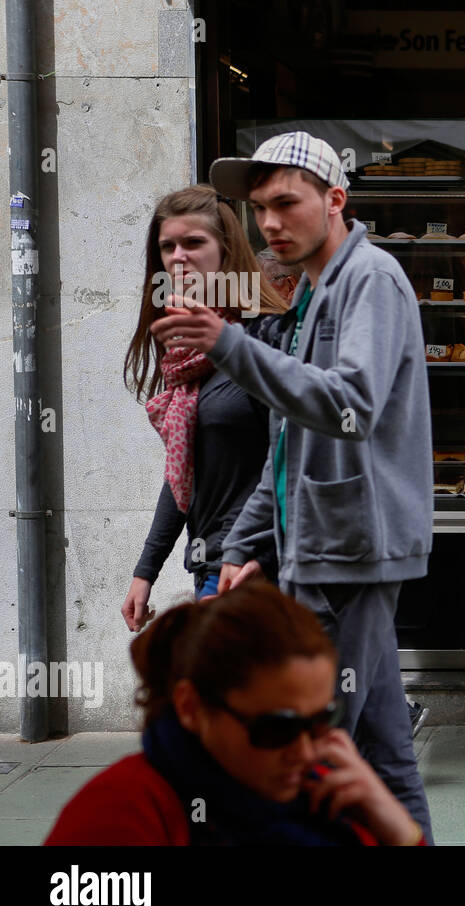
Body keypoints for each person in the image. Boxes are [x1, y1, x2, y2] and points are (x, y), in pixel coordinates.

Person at [149, 131, 434, 839]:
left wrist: (229, 344)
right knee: (382, 752)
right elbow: (289, 442)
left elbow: (350, 404)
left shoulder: (370, 279)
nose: (270, 223)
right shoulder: (312, 291)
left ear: (336, 199)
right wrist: (248, 544)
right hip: (324, 547)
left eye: (287, 203)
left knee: (309, 750)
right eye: (259, 208)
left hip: (351, 549)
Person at [47, 583, 426, 845]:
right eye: (277, 728)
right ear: (191, 708)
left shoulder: (328, 795)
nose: (307, 752)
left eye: (321, 722)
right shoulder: (119, 815)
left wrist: (398, 830)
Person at [122, 185, 287, 624]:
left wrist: (262, 555)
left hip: (252, 570)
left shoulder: (262, 340)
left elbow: (297, 463)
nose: (178, 256)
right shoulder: (186, 356)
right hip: (210, 564)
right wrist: (145, 571)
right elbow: (185, 471)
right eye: (167, 246)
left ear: (226, 251)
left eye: (194, 243)